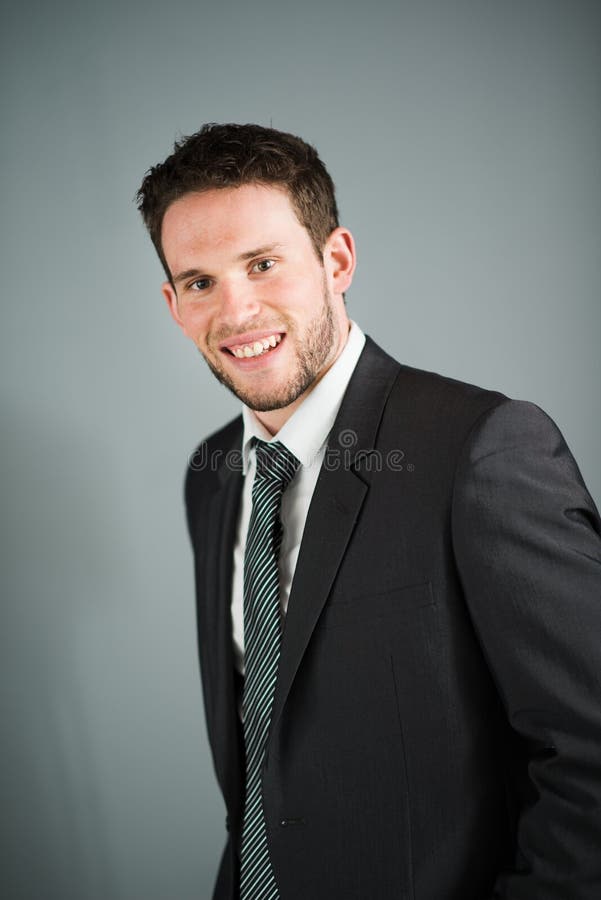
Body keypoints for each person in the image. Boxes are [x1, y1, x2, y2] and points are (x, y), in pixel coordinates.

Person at [137, 123, 601, 900]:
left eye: (261, 264)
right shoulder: (212, 476)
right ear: (174, 304)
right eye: (199, 281)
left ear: (336, 259)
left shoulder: (480, 448)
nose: (236, 309)